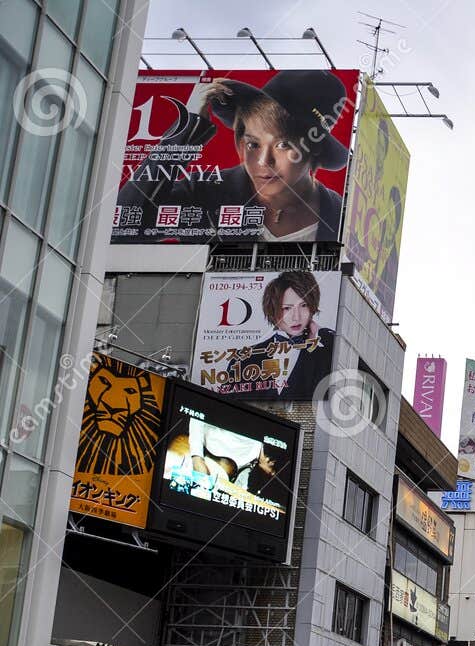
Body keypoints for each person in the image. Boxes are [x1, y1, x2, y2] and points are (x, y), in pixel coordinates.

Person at [116, 71, 351, 242]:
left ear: (316, 148)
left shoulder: (341, 220)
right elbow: (122, 227)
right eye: (253, 143)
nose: (262, 161)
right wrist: (185, 131)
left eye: (282, 144)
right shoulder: (207, 191)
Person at [215, 270, 337, 401]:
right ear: (273, 309)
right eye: (287, 308)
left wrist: (322, 332)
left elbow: (359, 371)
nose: (296, 317)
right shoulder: (244, 359)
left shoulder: (325, 357)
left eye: (304, 306)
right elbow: (224, 407)